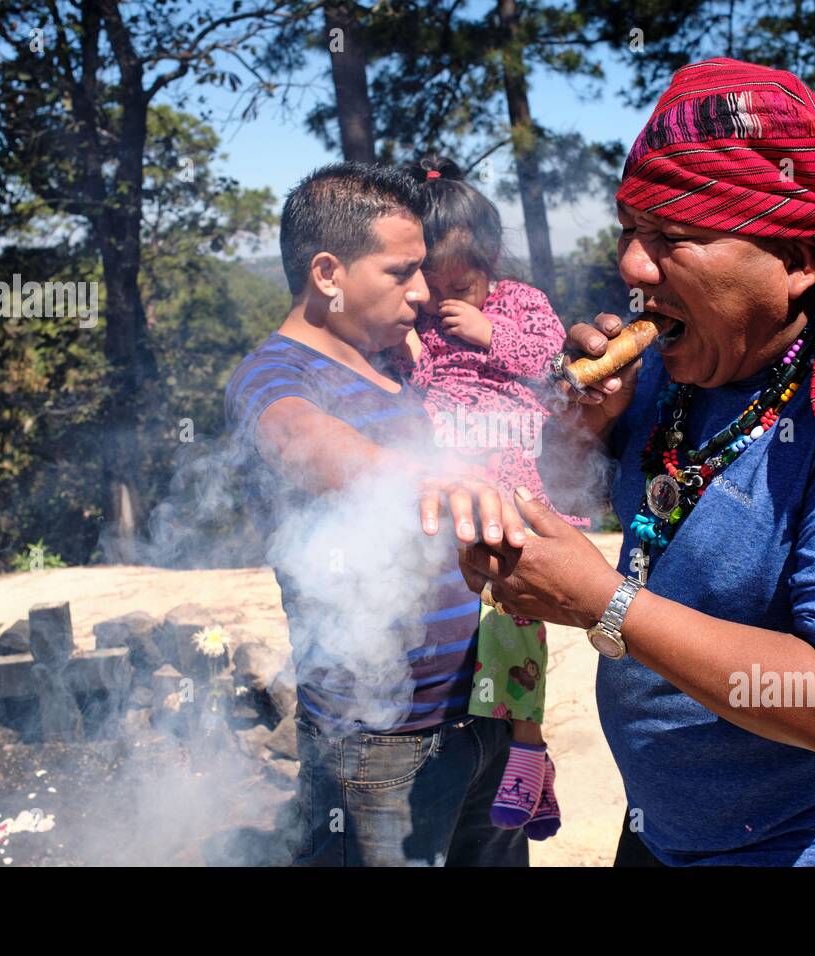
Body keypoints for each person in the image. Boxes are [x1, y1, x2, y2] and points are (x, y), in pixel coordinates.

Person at [451, 59, 815, 866]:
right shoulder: (686, 366)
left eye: (673, 238)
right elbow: (650, 509)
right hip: (663, 835)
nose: (634, 266)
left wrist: (605, 606)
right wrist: (585, 429)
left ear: (796, 260)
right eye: (630, 229)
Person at [224, 162, 531, 866]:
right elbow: (300, 437)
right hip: (382, 744)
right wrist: (440, 483)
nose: (422, 294)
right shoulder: (275, 373)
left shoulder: (399, 364)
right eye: (401, 273)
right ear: (327, 273)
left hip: (483, 710)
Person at [387, 155, 587, 839]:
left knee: (511, 615)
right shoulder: (420, 322)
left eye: (460, 284)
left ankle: (529, 751)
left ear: (490, 259)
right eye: (432, 284)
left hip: (506, 487)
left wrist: (491, 334)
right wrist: (413, 356)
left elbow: (558, 363)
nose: (446, 299)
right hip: (444, 488)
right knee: (447, 622)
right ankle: (493, 753)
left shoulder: (519, 304)